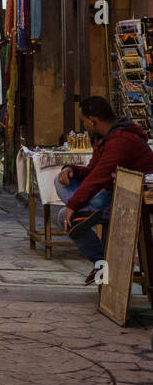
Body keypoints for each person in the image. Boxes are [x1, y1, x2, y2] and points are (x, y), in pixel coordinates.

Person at [57, 96, 153, 284]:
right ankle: (102, 261)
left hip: (131, 199)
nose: (84, 126)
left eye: (84, 121)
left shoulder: (121, 140)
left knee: (65, 216)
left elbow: (98, 177)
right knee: (60, 186)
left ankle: (86, 220)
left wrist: (73, 205)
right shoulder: (104, 139)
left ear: (93, 120)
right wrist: (71, 170)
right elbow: (93, 171)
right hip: (112, 194)